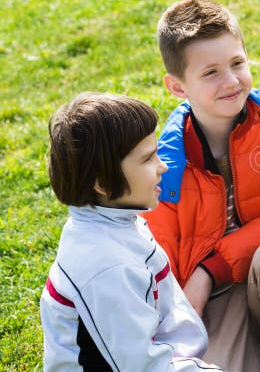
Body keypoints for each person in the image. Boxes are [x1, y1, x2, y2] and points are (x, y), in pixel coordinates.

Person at [144, 0, 260, 372]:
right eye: (210, 72)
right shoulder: (164, 164)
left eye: (237, 63)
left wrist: (210, 269)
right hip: (208, 301)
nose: (231, 81)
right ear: (177, 86)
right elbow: (160, 253)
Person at [40, 92, 222, 371]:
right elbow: (143, 366)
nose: (162, 166)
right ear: (102, 184)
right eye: (148, 158)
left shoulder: (114, 221)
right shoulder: (106, 267)